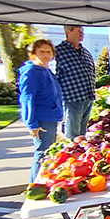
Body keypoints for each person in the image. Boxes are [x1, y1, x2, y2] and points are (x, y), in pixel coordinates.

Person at [19, 39, 64, 184]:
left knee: (48, 153)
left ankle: (43, 182)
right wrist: (31, 124)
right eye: (41, 51)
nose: (45, 55)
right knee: (42, 153)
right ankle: (35, 186)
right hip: (41, 119)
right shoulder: (32, 72)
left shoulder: (46, 71)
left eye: (48, 51)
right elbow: (27, 98)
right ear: (33, 54)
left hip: (51, 118)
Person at [55, 25, 96, 138]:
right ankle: (71, 153)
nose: (81, 34)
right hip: (72, 98)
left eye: (82, 31)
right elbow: (54, 77)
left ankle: (80, 153)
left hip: (88, 97)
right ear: (68, 31)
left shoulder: (85, 51)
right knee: (73, 133)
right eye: (78, 31)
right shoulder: (59, 52)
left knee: (82, 135)